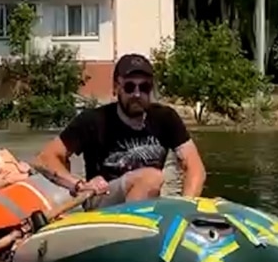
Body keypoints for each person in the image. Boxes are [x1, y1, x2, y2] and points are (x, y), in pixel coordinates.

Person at [35, 53, 206, 209]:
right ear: (116, 87)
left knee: (151, 179)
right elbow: (44, 159)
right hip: (102, 199)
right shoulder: (93, 120)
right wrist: (78, 185)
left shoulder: (166, 118)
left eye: (144, 87)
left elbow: (195, 167)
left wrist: (186, 206)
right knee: (152, 177)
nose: (137, 94)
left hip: (148, 200)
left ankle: (141, 221)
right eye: (130, 87)